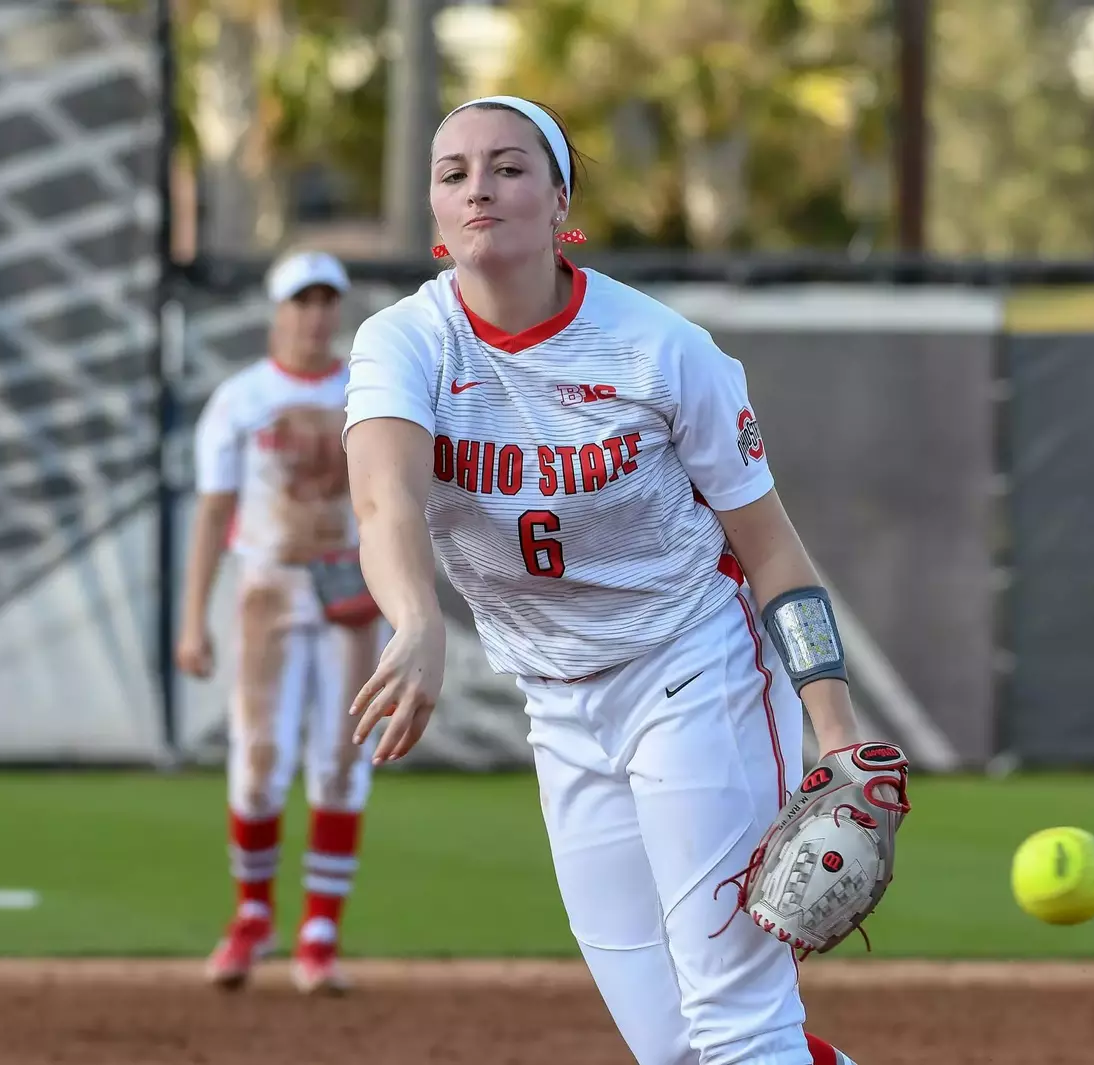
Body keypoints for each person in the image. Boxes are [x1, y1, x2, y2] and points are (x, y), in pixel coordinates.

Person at [342, 96, 900, 1064]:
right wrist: (413, 619)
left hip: (694, 676)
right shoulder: (404, 342)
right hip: (557, 704)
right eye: (453, 172)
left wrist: (837, 729)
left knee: (735, 1025)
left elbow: (771, 551)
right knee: (671, 1046)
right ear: (433, 211)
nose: (480, 187)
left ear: (562, 201)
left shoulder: (662, 349)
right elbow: (383, 501)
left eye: (511, 167)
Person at [177, 249, 388, 996]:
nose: (315, 315)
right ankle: (253, 916)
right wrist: (192, 619)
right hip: (267, 587)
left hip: (349, 588)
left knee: (340, 755)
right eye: (302, 301)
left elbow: (400, 501)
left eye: (327, 300)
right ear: (277, 309)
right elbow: (213, 509)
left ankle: (320, 930)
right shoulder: (241, 398)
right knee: (260, 758)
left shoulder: (370, 390)